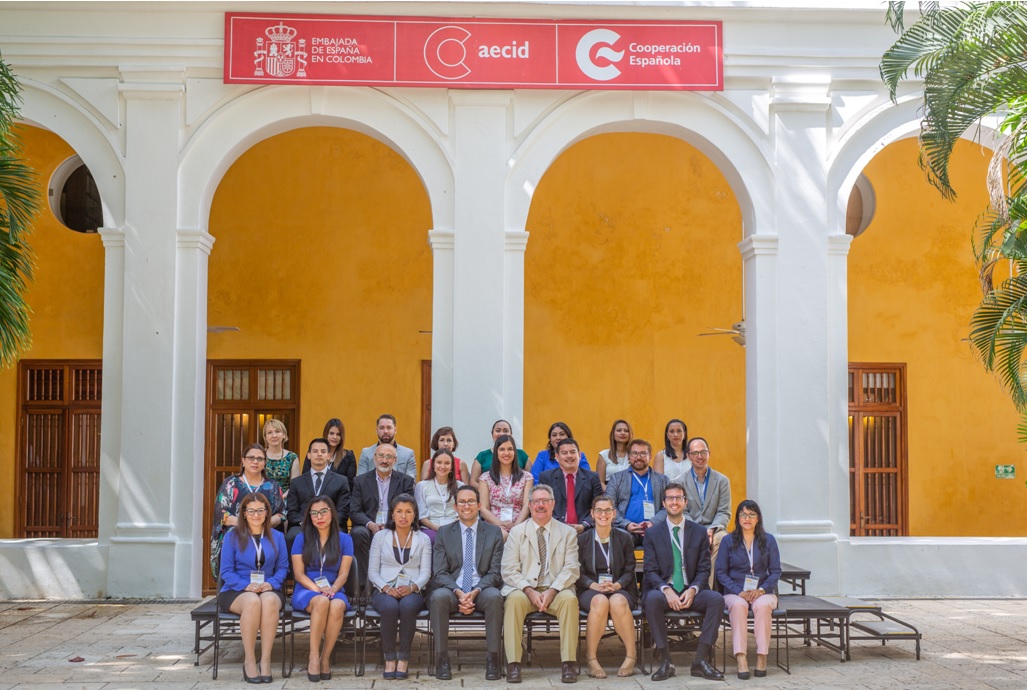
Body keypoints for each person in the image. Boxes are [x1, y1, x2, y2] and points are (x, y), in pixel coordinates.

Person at [642, 482, 724, 682]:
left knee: (716, 599)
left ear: (685, 502)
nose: (674, 502)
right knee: (651, 599)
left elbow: (705, 568)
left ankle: (700, 660)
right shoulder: (653, 533)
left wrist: (694, 589)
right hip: (665, 590)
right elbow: (650, 570)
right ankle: (666, 661)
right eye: (670, 498)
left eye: (678, 498)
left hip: (690, 589)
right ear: (664, 503)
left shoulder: (699, 532)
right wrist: (665, 590)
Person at [501, 484, 580, 684]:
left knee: (570, 601)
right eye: (536, 501)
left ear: (553, 504)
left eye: (545, 501)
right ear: (529, 505)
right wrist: (528, 590)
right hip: (524, 588)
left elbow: (572, 568)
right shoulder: (517, 532)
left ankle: (569, 662)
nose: (541, 505)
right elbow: (509, 569)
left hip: (556, 588)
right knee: (513, 602)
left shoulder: (568, 532)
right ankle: (513, 664)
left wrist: (553, 591)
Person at [429, 484, 505, 681]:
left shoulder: (494, 532)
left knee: (496, 597)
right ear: (455, 507)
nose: (466, 506)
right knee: (438, 597)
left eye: (471, 501)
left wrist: (476, 591)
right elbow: (439, 572)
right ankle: (442, 658)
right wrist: (459, 592)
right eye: (461, 502)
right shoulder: (444, 533)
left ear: (479, 505)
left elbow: (496, 572)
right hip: (453, 590)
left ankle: (493, 658)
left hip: (482, 589)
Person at [218, 492, 289, 684]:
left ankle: (265, 660)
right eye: (251, 511)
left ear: (267, 513)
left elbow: (283, 568)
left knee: (269, 600)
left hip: (268, 587)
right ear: (243, 513)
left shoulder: (278, 537)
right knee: (252, 601)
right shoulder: (232, 536)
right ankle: (249, 659)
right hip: (236, 589)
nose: (256, 515)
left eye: (260, 510)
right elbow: (226, 571)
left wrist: (272, 583)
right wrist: (246, 586)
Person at [290, 497, 354, 682]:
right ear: (309, 517)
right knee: (322, 601)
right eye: (314, 513)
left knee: (335, 606)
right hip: (307, 589)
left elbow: (344, 573)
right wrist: (318, 589)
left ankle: (325, 657)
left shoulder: (344, 539)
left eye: (324, 512)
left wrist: (332, 588)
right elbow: (299, 574)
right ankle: (313, 657)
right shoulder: (301, 538)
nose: (319, 517)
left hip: (334, 589)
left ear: (332, 514)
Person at [368, 493, 431, 680]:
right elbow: (372, 571)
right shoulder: (380, 537)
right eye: (399, 511)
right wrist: (386, 588)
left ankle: (403, 658)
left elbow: (426, 572)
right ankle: (389, 658)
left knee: (408, 606)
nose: (403, 516)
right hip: (384, 589)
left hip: (413, 589)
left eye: (408, 512)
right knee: (389, 606)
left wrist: (412, 588)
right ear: (392, 515)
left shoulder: (423, 539)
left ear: (415, 515)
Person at [716, 500, 781, 680]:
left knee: (763, 606)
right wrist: (739, 591)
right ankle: (741, 657)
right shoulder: (728, 540)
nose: (747, 518)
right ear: (737, 518)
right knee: (738, 606)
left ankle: (762, 656)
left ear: (758, 518)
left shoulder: (769, 540)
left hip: (763, 590)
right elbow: (721, 572)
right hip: (734, 591)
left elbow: (776, 571)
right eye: (743, 514)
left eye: (752, 514)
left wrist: (761, 590)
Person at [576, 494, 638, 679]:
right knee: (601, 601)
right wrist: (593, 585)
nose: (603, 514)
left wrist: (618, 585)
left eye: (607, 510)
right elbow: (576, 571)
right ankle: (592, 659)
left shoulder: (625, 538)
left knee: (618, 602)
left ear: (614, 514)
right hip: (591, 590)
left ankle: (630, 656)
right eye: (599, 511)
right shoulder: (582, 540)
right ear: (592, 514)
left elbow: (630, 569)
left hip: (621, 587)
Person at [210, 444, 286, 579]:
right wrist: (246, 525)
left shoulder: (272, 486)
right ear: (243, 461)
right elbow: (222, 513)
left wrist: (261, 525)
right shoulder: (230, 483)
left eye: (260, 459)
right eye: (251, 458)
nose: (255, 462)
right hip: (237, 532)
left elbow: (281, 514)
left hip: (264, 533)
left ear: (264, 463)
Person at [350, 443, 416, 585]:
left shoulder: (406, 481)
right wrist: (371, 524)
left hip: (396, 525)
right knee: (358, 533)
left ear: (395, 460)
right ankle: (363, 585)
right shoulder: (360, 481)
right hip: (369, 524)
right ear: (374, 457)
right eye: (380, 455)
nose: (384, 460)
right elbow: (355, 511)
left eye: (389, 457)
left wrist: (391, 524)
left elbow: (409, 509)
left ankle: (396, 583)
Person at [682, 437, 731, 587]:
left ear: (709, 453)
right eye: (695, 453)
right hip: (690, 528)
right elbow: (682, 512)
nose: (699, 456)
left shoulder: (722, 480)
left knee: (721, 539)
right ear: (689, 456)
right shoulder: (679, 481)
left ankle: (705, 588)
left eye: (703, 452)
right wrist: (700, 531)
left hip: (715, 529)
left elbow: (724, 512)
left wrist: (710, 530)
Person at [286, 438, 350, 549]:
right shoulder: (297, 482)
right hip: (303, 525)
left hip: (331, 525)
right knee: (292, 536)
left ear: (329, 456)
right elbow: (292, 512)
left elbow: (343, 511)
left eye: (323, 451)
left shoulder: (341, 481)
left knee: (341, 535)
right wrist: (308, 523)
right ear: (308, 455)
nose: (319, 454)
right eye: (315, 451)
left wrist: (326, 522)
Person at [605, 439, 670, 546]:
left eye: (643, 453)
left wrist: (653, 523)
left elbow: (668, 506)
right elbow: (609, 506)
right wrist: (626, 524)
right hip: (625, 530)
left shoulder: (663, 480)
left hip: (655, 529)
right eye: (635, 453)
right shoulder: (617, 479)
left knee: (661, 543)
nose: (639, 457)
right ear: (629, 457)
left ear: (650, 456)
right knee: (620, 540)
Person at [538, 438, 602, 534]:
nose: (569, 456)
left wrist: (584, 525)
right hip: (554, 529)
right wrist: (559, 526)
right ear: (557, 457)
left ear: (579, 455)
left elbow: (599, 507)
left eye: (573, 452)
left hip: (585, 531)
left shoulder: (592, 477)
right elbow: (542, 506)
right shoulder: (546, 477)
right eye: (564, 453)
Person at [478, 434, 533, 540]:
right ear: (496, 453)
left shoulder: (526, 477)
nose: (506, 453)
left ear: (515, 452)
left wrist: (516, 525)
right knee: (501, 535)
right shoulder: (485, 478)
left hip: (520, 523)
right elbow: (484, 508)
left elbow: (526, 505)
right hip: (493, 524)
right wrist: (500, 523)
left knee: (518, 536)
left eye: (510, 449)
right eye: (502, 449)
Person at [414, 448, 461, 543]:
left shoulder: (460, 486)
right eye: (439, 462)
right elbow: (421, 515)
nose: (442, 466)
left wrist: (451, 526)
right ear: (433, 465)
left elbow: (462, 511)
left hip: (455, 526)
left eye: (447, 463)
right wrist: (435, 527)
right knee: (433, 539)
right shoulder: (422, 486)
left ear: (452, 466)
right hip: (430, 527)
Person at [471, 419, 530, 485]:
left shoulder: (522, 454)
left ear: (511, 434)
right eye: (498, 430)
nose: (502, 434)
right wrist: (489, 491)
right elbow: (473, 482)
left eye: (506, 431)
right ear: (492, 433)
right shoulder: (482, 456)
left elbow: (530, 479)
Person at [300, 418, 357, 486]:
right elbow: (305, 477)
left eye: (338, 434)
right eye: (331, 433)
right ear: (326, 434)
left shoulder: (348, 456)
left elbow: (350, 484)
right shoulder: (314, 453)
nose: (335, 437)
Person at [262, 419, 299, 497]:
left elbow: (295, 486)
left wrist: (281, 498)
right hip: (262, 500)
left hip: (285, 501)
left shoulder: (292, 457)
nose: (274, 435)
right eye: (269, 432)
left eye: (277, 431)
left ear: (284, 435)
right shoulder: (260, 456)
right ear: (265, 437)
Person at [597, 419, 633, 488]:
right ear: (613, 434)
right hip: (609, 494)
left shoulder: (634, 455)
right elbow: (600, 482)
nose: (622, 433)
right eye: (619, 430)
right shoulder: (604, 455)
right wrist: (610, 494)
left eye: (626, 430)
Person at [653, 419, 690, 484]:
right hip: (668, 493)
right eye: (672, 431)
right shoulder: (661, 456)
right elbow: (658, 483)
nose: (675, 434)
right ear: (667, 435)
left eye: (679, 431)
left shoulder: (691, 455)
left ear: (684, 434)